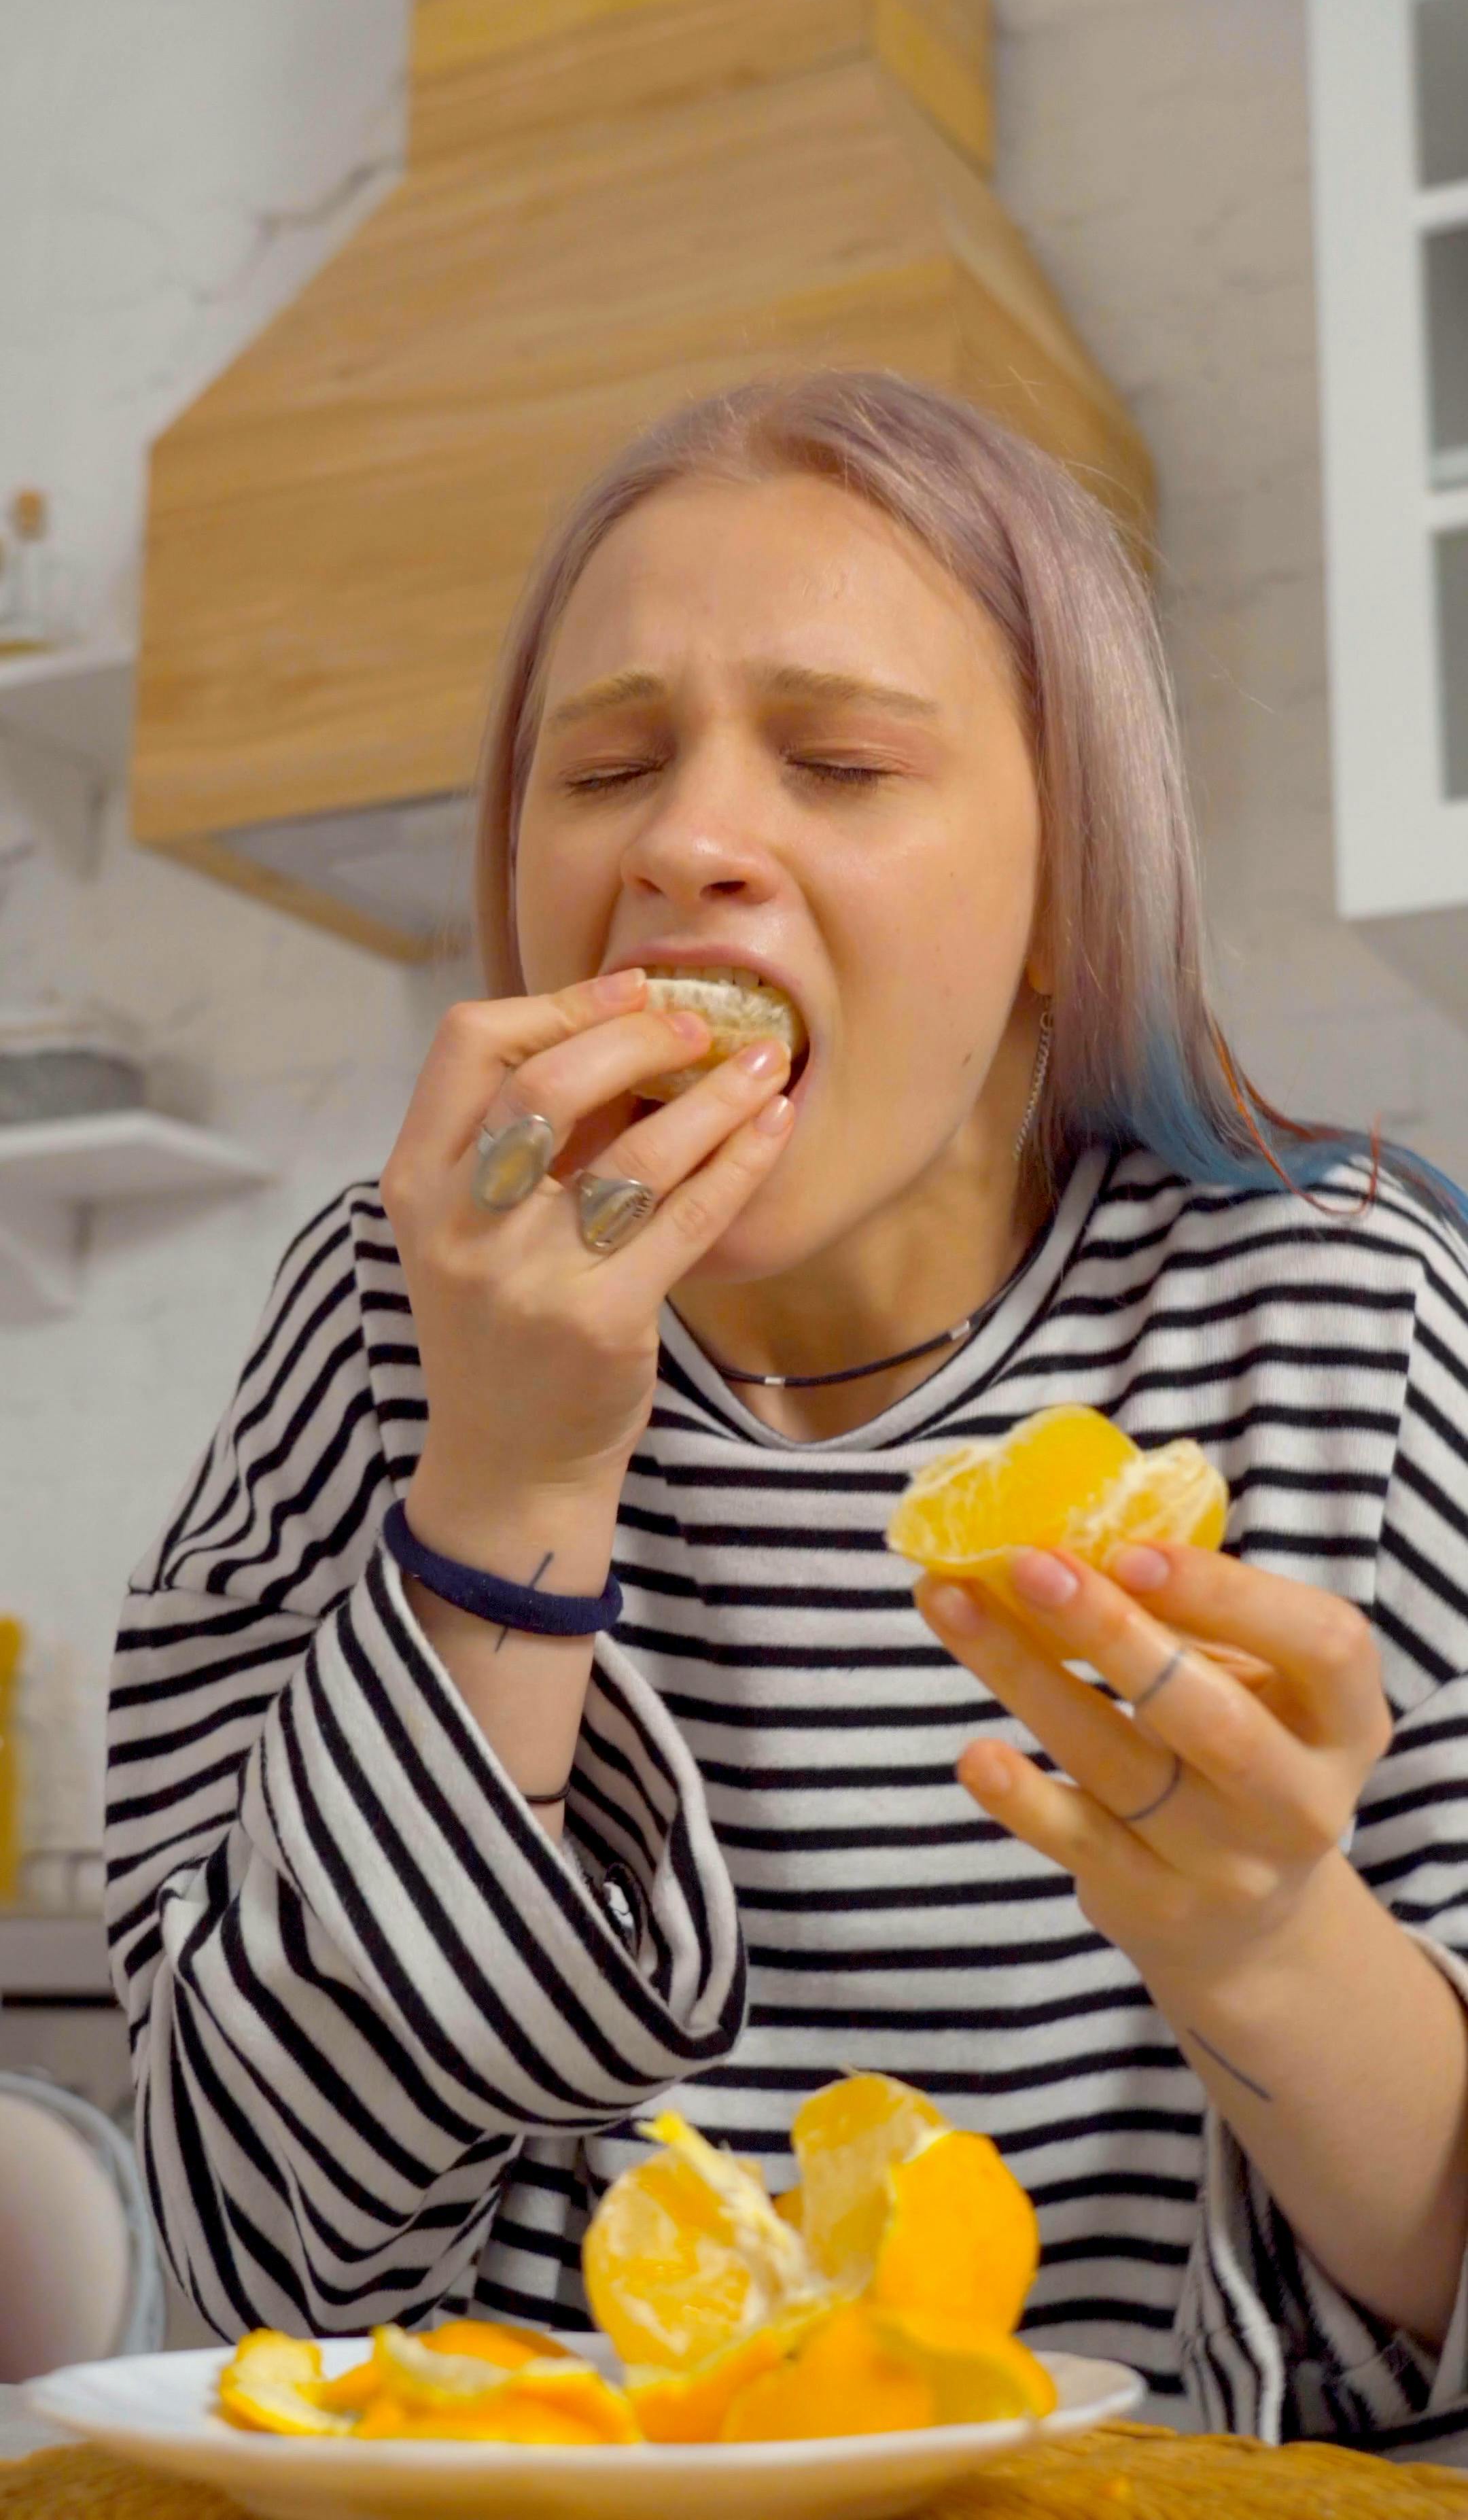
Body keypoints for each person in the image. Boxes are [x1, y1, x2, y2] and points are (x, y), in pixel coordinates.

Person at [107, 370, 1468, 2457]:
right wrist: (514, 1472)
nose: (683, 846)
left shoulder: (1346, 1320)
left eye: (837, 763)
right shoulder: (391, 1324)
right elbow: (273, 2276)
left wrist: (1275, 1939)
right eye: (610, 769)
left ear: (1063, 893)